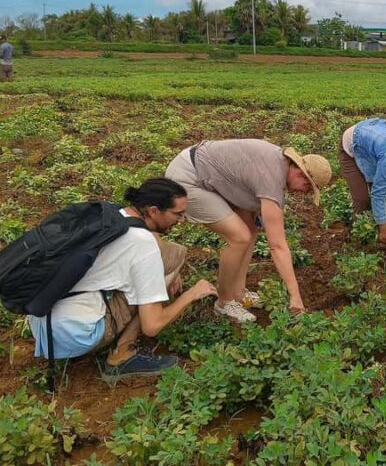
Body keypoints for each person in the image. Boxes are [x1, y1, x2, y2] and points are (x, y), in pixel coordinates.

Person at [28, 178, 217, 381]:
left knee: (173, 254)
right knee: (155, 287)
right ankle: (122, 356)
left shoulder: (113, 213)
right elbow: (152, 326)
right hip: (78, 334)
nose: (182, 220)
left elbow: (157, 244)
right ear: (153, 211)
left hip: (43, 322)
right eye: (178, 214)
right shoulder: (143, 245)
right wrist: (192, 294)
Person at [166, 140, 331, 323]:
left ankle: (238, 293)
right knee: (239, 237)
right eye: (308, 188)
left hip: (202, 168)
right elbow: (277, 246)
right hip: (187, 179)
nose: (304, 193)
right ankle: (224, 302)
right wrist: (295, 296)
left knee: (250, 230)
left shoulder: (278, 163)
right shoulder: (271, 180)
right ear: (301, 174)